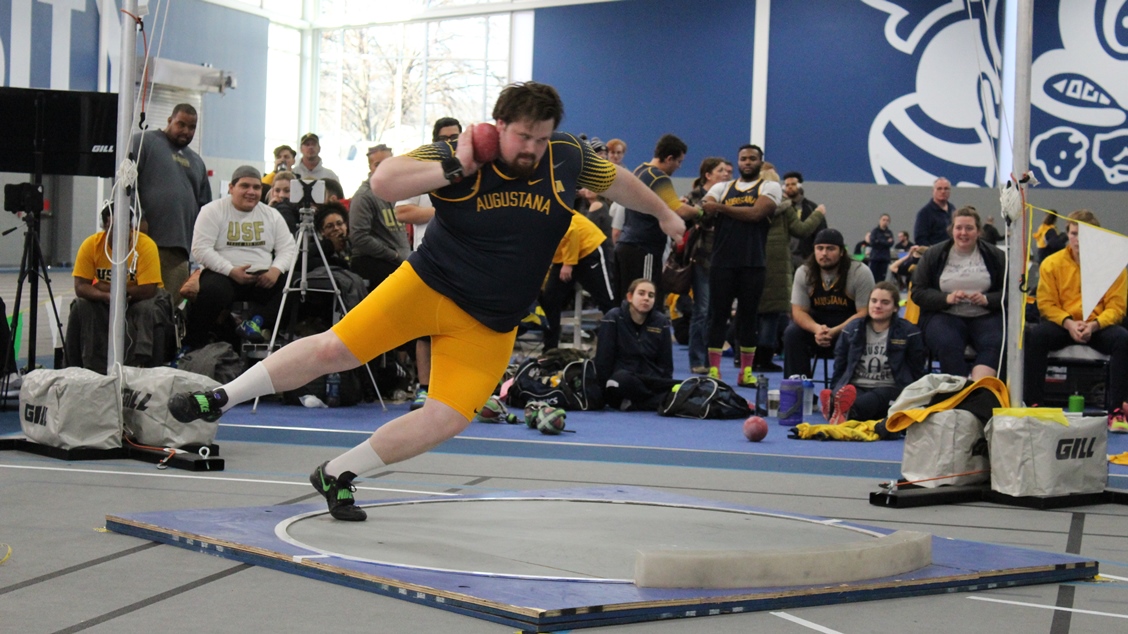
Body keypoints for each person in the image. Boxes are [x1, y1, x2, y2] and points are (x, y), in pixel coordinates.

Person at [167, 82, 686, 521]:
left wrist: (663, 214)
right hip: (427, 286)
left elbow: (616, 180)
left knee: (446, 419)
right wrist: (457, 164)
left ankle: (338, 473)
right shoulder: (458, 153)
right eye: (523, 135)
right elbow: (385, 182)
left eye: (541, 137)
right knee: (336, 349)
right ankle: (223, 397)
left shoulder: (566, 158)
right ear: (498, 125)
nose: (531, 147)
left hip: (489, 321)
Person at [1024, 210, 1128, 431]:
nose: (1078, 239)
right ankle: (1034, 404)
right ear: (1067, 234)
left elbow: (1117, 307)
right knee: (1036, 336)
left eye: (1084, 234)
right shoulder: (1051, 264)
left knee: (1122, 338)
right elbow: (1046, 303)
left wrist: (1093, 325)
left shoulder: (1113, 266)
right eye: (1074, 233)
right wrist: (1069, 323)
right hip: (1064, 325)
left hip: (1098, 326)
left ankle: (1117, 411)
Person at [184, 166, 297, 349]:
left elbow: (288, 248)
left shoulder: (272, 215)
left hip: (262, 276)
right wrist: (230, 270)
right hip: (224, 274)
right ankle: (191, 346)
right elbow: (200, 248)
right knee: (213, 292)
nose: (251, 192)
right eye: (245, 186)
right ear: (231, 188)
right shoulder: (212, 210)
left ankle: (255, 323)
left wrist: (275, 270)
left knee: (295, 285)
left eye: (256, 187)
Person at [395, 117, 463, 411]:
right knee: (426, 328)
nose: (451, 141)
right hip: (430, 259)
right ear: (436, 141)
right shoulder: (422, 172)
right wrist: (443, 212)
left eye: (455, 136)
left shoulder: (474, 171)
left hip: (466, 260)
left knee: (460, 326)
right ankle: (424, 388)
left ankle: (455, 387)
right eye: (445, 137)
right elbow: (403, 212)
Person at [701, 145, 782, 385]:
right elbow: (705, 210)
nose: (747, 162)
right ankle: (714, 371)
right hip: (722, 262)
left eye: (752, 159)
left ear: (760, 162)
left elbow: (757, 214)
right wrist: (710, 208)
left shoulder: (770, 187)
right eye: (743, 159)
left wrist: (721, 208)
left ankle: (745, 373)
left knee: (748, 318)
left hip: (753, 262)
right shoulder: (721, 187)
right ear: (737, 162)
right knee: (717, 316)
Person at [67, 205, 170, 372]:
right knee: (80, 306)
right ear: (104, 227)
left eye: (123, 227)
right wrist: (107, 296)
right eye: (112, 228)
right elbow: (80, 287)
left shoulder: (145, 246)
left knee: (149, 309)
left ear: (131, 227)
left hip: (139, 299)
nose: (117, 233)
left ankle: (144, 362)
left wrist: (107, 288)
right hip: (107, 298)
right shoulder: (91, 245)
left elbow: (148, 289)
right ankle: (79, 366)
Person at [130, 103, 212, 306]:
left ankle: (167, 339)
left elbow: (206, 207)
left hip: (179, 250)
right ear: (169, 121)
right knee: (139, 302)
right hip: (143, 244)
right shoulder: (143, 143)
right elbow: (126, 183)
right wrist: (138, 217)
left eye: (191, 127)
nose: (186, 131)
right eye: (181, 124)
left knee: (169, 307)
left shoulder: (197, 162)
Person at [911, 206, 1006, 379]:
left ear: (978, 231)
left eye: (969, 228)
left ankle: (979, 389)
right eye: (959, 228)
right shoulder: (933, 254)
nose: (963, 233)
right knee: (948, 344)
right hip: (944, 314)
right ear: (951, 230)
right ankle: (958, 390)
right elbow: (918, 292)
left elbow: (1010, 294)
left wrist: (987, 299)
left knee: (995, 343)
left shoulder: (996, 256)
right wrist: (946, 298)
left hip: (985, 315)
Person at [822, 282, 926, 424]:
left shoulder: (909, 333)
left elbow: (916, 369)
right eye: (874, 301)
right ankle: (842, 409)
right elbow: (840, 366)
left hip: (890, 388)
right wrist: (835, 389)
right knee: (852, 396)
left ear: (895, 308)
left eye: (885, 302)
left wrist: (916, 398)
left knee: (877, 397)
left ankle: (843, 412)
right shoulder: (851, 329)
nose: (877, 306)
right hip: (856, 386)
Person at [754, 167, 825, 372]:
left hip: (753, 258)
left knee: (751, 312)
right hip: (777, 265)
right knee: (771, 314)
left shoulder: (749, 206)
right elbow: (801, 230)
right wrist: (818, 214)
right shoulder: (785, 208)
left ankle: (746, 358)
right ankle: (765, 358)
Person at [613, 134, 697, 301]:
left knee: (627, 301)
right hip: (644, 249)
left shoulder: (639, 171)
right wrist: (700, 211)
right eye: (679, 162)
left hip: (627, 246)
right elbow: (680, 210)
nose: (679, 167)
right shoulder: (658, 177)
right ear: (669, 158)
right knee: (647, 300)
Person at [783, 228, 875, 379]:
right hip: (818, 328)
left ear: (841, 252)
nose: (824, 253)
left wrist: (834, 331)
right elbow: (798, 311)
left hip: (847, 328)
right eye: (820, 248)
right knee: (792, 334)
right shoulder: (804, 272)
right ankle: (798, 392)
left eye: (830, 249)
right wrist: (817, 329)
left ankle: (846, 392)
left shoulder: (859, 272)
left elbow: (864, 313)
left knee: (858, 333)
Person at [595, 278, 678, 411]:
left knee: (683, 384)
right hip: (624, 381)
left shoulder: (661, 321)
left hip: (650, 381)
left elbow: (666, 362)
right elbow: (603, 360)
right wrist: (602, 393)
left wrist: (665, 383)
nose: (646, 298)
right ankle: (663, 400)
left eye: (651, 296)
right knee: (622, 380)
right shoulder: (613, 318)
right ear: (629, 297)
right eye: (641, 293)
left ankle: (637, 404)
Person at [683, 157, 732, 374]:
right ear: (708, 174)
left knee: (715, 312)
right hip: (701, 259)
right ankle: (697, 360)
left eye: (727, 171)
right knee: (701, 311)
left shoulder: (729, 196)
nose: (726, 174)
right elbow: (690, 221)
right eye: (721, 170)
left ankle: (712, 360)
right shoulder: (694, 196)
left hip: (723, 260)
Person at [540, 212, 616, 350]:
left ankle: (624, 343)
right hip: (563, 254)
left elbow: (572, 231)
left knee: (606, 299)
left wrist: (568, 264)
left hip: (588, 247)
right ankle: (550, 349)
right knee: (550, 300)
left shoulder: (544, 210)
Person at [349, 144, 409, 292]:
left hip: (400, 261)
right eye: (378, 164)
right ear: (370, 167)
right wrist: (393, 255)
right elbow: (359, 237)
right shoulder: (364, 197)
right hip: (374, 262)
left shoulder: (399, 193)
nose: (383, 168)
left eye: (387, 163)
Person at [784, 171, 825, 269]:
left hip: (806, 257)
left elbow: (821, 232)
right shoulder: (782, 208)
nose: (790, 187)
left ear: (800, 186)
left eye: (793, 184)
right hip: (786, 256)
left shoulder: (811, 208)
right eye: (787, 185)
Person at [913, 177, 954, 247]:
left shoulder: (953, 209)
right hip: (935, 255)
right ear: (933, 191)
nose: (943, 191)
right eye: (939, 188)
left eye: (946, 189)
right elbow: (920, 239)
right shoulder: (925, 213)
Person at [314, 203, 351, 270]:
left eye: (339, 223)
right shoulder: (319, 254)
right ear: (321, 231)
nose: (336, 228)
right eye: (329, 226)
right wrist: (329, 245)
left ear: (346, 225)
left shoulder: (355, 247)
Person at [867, 214, 894, 282]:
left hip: (884, 258)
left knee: (882, 278)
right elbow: (872, 242)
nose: (885, 222)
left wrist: (879, 241)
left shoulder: (889, 232)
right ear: (880, 221)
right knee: (873, 277)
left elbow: (891, 243)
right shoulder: (875, 231)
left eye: (887, 220)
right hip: (875, 258)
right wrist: (885, 241)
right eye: (883, 220)